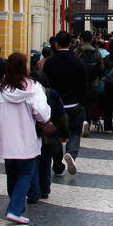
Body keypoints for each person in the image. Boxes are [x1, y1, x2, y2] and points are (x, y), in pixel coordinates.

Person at [0, 52, 52, 224]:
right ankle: (15, 209)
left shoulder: (1, 90)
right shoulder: (34, 88)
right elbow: (43, 114)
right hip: (26, 141)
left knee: (12, 174)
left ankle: (13, 205)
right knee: (25, 174)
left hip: (6, 142)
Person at [43, 31, 87, 175]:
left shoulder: (49, 62)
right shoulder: (78, 62)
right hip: (73, 103)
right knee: (75, 131)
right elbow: (83, 85)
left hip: (55, 105)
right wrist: (82, 102)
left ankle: (57, 163)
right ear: (70, 44)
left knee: (55, 135)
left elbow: (46, 83)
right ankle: (71, 153)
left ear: (56, 44)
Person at [29, 53, 69, 203]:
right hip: (49, 132)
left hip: (33, 132)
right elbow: (61, 114)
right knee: (46, 161)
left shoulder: (29, 94)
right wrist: (65, 132)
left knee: (34, 160)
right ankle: (45, 189)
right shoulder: (52, 93)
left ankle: (34, 190)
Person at [76, 30, 103, 135]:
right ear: (91, 39)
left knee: (79, 104)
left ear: (81, 39)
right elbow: (101, 67)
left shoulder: (77, 51)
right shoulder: (97, 52)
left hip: (79, 83)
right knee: (90, 105)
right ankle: (87, 121)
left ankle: (81, 122)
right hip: (93, 83)